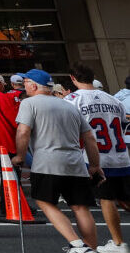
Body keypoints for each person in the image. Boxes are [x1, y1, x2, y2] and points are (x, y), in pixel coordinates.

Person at [16, 68, 103, 253]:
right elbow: (89, 138)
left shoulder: (29, 103)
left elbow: (23, 132)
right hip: (75, 163)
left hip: (47, 162)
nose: (24, 86)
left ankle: (77, 244)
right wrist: (95, 165)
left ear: (33, 85)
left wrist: (20, 156)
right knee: (80, 207)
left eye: (25, 83)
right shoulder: (68, 105)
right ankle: (91, 248)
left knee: (44, 201)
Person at [67, 64, 130, 253]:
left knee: (106, 198)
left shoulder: (73, 100)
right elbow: (122, 122)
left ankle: (119, 243)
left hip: (96, 157)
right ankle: (117, 242)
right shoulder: (113, 99)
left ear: (73, 78)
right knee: (125, 200)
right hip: (120, 155)